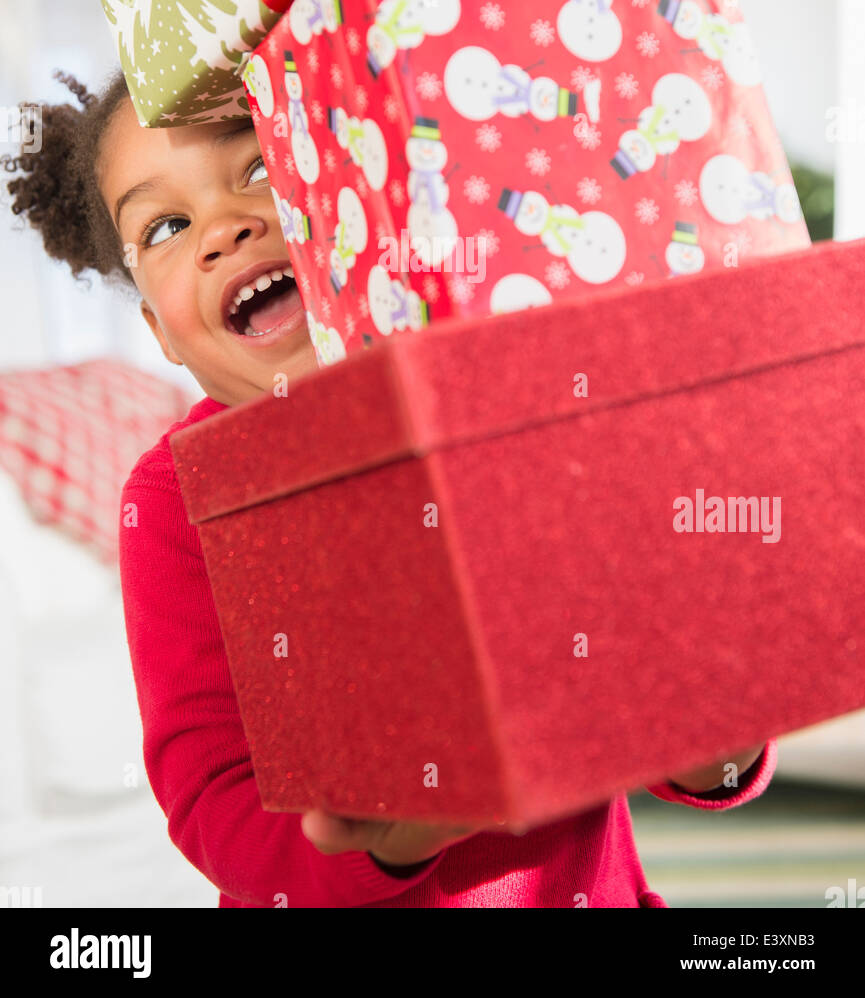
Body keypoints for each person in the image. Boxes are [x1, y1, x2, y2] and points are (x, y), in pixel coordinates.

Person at [2, 66, 775, 908]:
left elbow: (677, 703)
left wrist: (709, 735)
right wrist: (401, 835)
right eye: (165, 228)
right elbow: (211, 802)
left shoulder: (503, 410)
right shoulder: (174, 498)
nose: (221, 230)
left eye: (259, 170)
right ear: (160, 334)